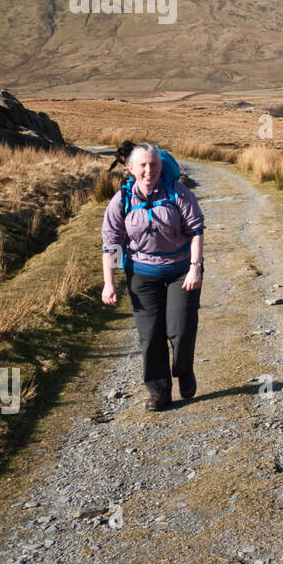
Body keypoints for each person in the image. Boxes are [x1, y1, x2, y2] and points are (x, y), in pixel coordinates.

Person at [100, 141, 206, 411]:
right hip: (141, 275)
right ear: (131, 168)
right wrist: (109, 283)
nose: (150, 170)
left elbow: (196, 230)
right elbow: (111, 243)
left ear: (161, 167)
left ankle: (184, 370)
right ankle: (159, 391)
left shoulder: (177, 193)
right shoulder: (121, 199)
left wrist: (195, 266)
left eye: (155, 165)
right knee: (150, 335)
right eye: (144, 165)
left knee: (180, 330)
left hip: (181, 271)